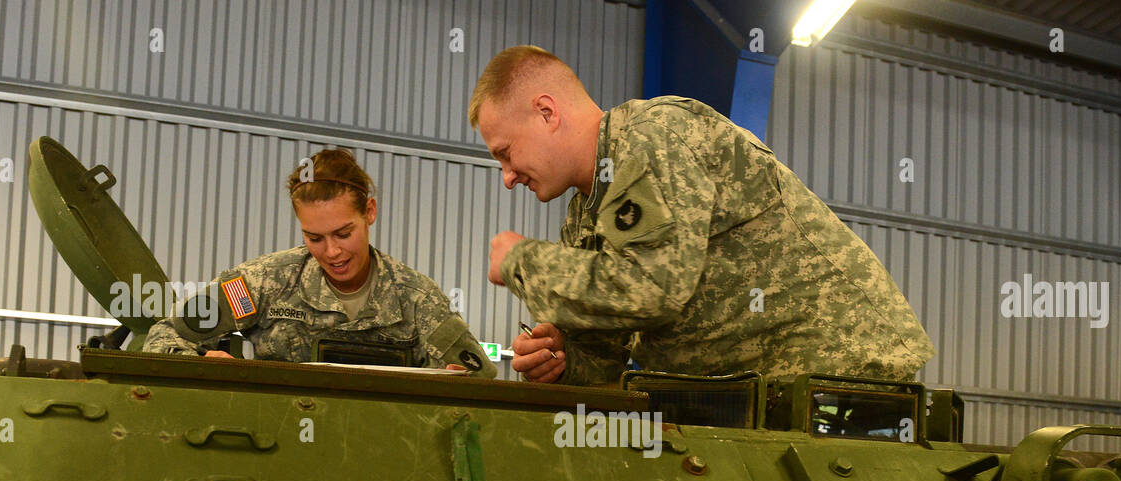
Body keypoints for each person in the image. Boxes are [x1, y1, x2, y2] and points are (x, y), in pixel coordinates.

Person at [470, 46, 933, 386]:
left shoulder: (656, 135)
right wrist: (561, 359)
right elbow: (606, 356)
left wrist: (522, 261)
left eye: (506, 153)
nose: (508, 177)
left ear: (546, 112)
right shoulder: (584, 217)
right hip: (747, 396)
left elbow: (653, 287)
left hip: (835, 373)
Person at [143, 148, 496, 376]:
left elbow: (479, 377)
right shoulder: (262, 283)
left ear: (369, 212)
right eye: (314, 238)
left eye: (343, 233)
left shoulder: (418, 299)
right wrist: (206, 366)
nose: (332, 252)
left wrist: (456, 383)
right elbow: (166, 333)